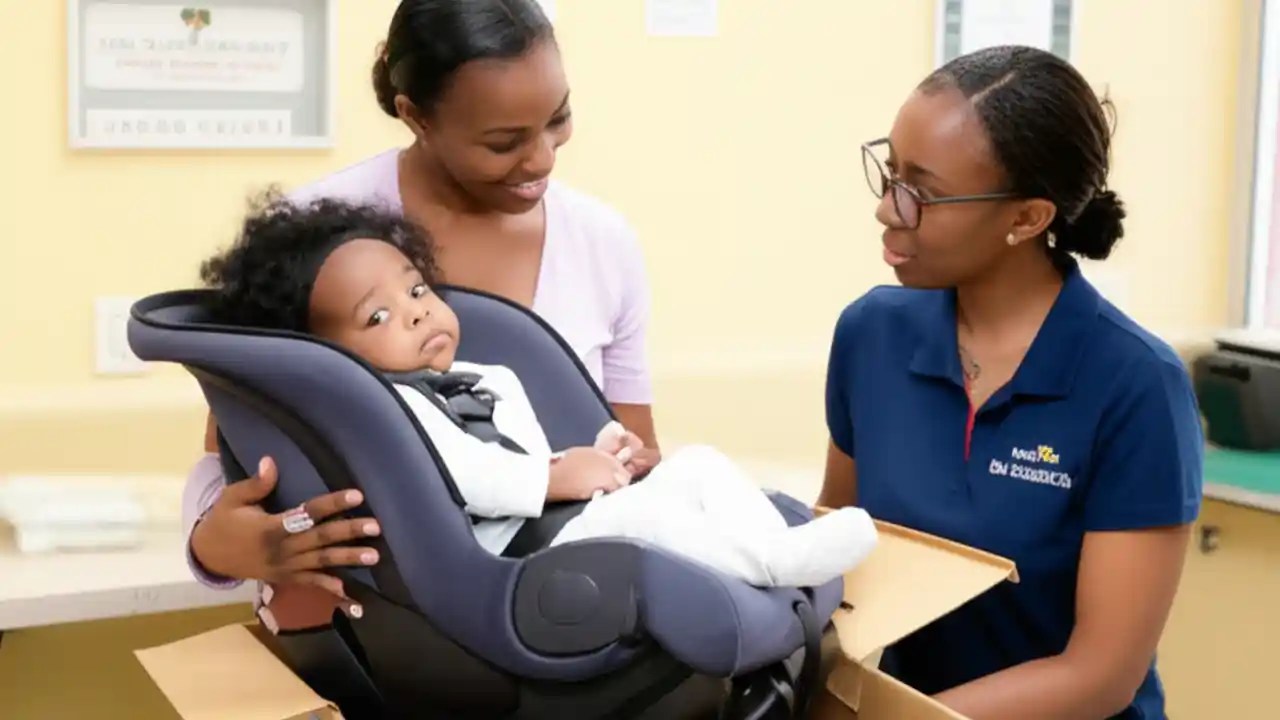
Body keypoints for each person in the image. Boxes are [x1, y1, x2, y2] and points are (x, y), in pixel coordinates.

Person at [181, 0, 663, 617]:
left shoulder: (603, 243)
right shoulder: (317, 242)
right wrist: (216, 543)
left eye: (558, 119)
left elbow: (636, 451)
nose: (542, 158)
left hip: (558, 613)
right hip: (371, 635)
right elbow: (230, 454)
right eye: (502, 142)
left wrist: (625, 471)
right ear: (415, 116)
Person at [199, 194, 878, 594]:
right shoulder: (385, 408)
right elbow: (468, 479)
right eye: (377, 318)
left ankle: (774, 546)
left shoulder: (492, 378)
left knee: (695, 465)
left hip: (563, 519)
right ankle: (770, 563)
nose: (414, 313)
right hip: (513, 558)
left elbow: (533, 455)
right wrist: (556, 478)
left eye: (417, 291)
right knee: (646, 529)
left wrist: (600, 453)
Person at [818, 46, 1203, 719]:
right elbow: (837, 562)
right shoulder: (870, 334)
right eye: (890, 173)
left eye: (923, 194)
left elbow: (1101, 675)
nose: (888, 209)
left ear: (1027, 219)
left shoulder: (1137, 386)